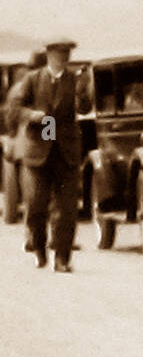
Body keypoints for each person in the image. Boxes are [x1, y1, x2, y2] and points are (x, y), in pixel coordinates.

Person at [6, 40, 92, 272]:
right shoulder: (33, 80)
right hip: (37, 153)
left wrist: (84, 92)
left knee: (67, 209)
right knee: (35, 206)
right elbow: (14, 109)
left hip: (66, 152)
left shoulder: (74, 80)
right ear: (49, 56)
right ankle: (38, 248)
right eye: (57, 55)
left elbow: (84, 109)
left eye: (66, 55)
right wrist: (31, 115)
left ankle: (62, 258)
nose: (62, 58)